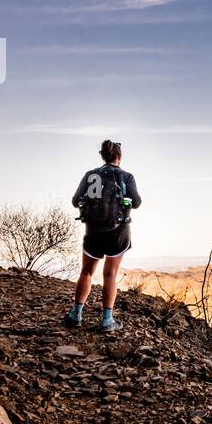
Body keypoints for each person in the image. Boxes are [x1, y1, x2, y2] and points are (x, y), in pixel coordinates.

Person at [64, 139, 142, 331]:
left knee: (87, 272)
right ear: (119, 157)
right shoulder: (127, 177)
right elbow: (137, 202)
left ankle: (76, 315)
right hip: (118, 232)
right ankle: (107, 320)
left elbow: (75, 201)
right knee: (110, 274)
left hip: (93, 231)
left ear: (102, 156)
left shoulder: (90, 175)